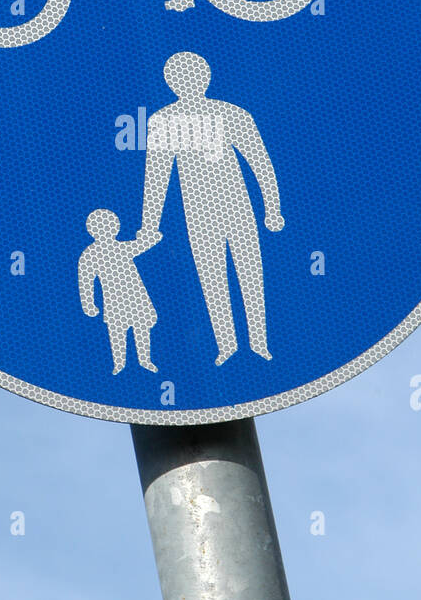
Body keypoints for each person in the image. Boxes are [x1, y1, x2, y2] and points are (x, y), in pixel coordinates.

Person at [139, 52, 284, 365]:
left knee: (250, 272)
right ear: (170, 82)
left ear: (205, 77)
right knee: (212, 278)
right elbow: (157, 176)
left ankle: (259, 342)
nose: (187, 82)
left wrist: (272, 208)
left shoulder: (231, 113)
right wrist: (150, 224)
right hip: (199, 212)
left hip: (237, 205)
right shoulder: (163, 121)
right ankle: (226, 346)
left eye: (193, 75)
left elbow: (260, 162)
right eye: (179, 77)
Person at [78, 209, 161, 374]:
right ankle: (119, 364)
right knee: (117, 332)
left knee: (142, 327)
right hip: (114, 300)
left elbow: (141, 245)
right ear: (92, 230)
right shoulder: (89, 255)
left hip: (135, 296)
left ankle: (145, 361)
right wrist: (88, 303)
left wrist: (152, 236)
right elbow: (85, 281)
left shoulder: (121, 247)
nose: (108, 230)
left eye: (110, 226)